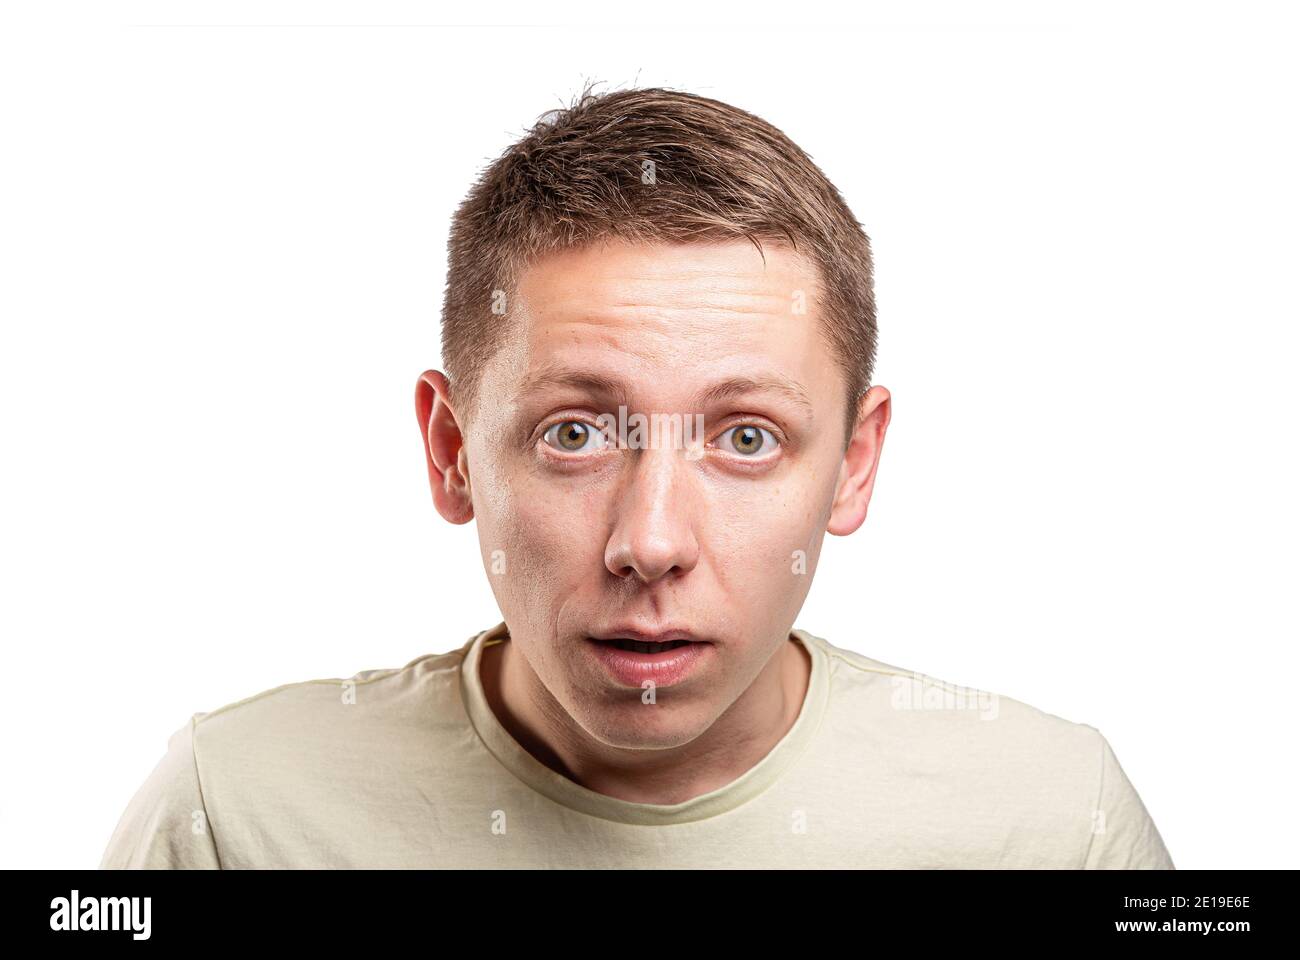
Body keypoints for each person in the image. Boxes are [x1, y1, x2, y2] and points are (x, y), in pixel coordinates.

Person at [100, 85, 1174, 869]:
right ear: (451, 451)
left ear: (852, 466)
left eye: (745, 438)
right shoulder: (231, 814)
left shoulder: (1050, 822)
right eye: (576, 434)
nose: (651, 542)